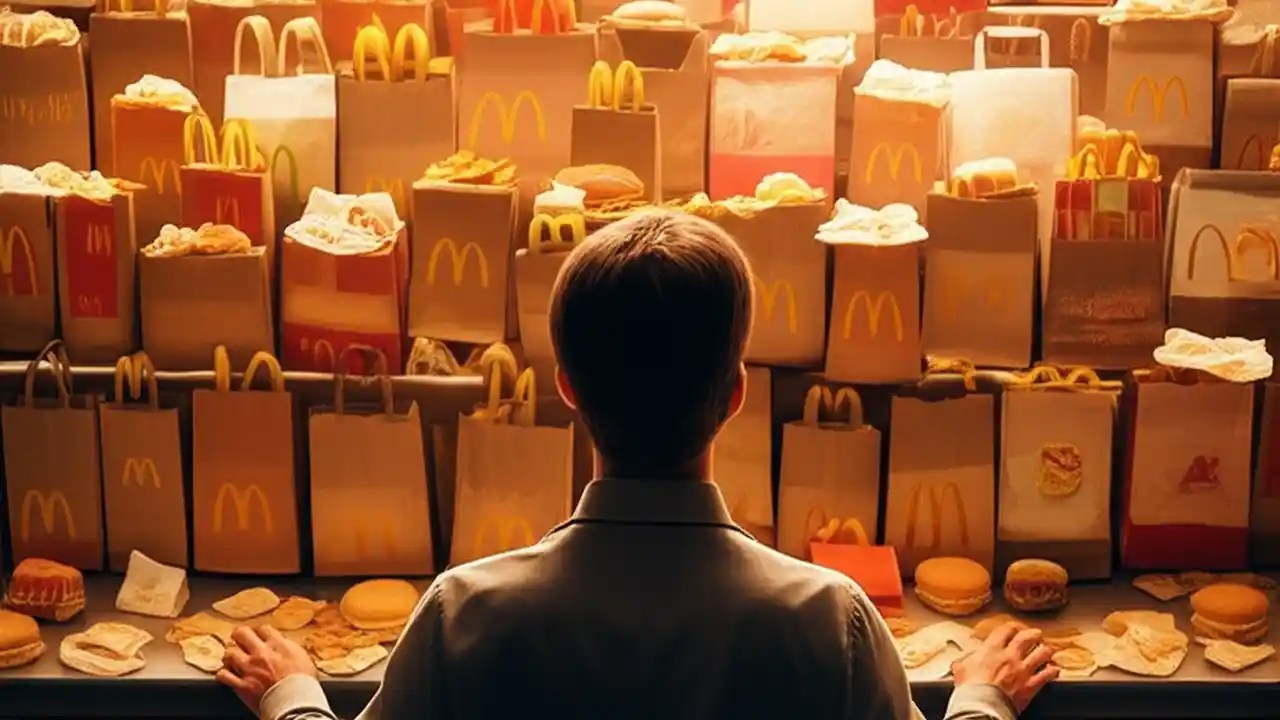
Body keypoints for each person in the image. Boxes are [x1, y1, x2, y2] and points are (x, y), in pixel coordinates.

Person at [219, 211, 1057, 720]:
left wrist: (293, 693)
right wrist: (979, 694)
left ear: (567, 387)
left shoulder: (465, 615)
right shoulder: (826, 622)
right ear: (735, 396)